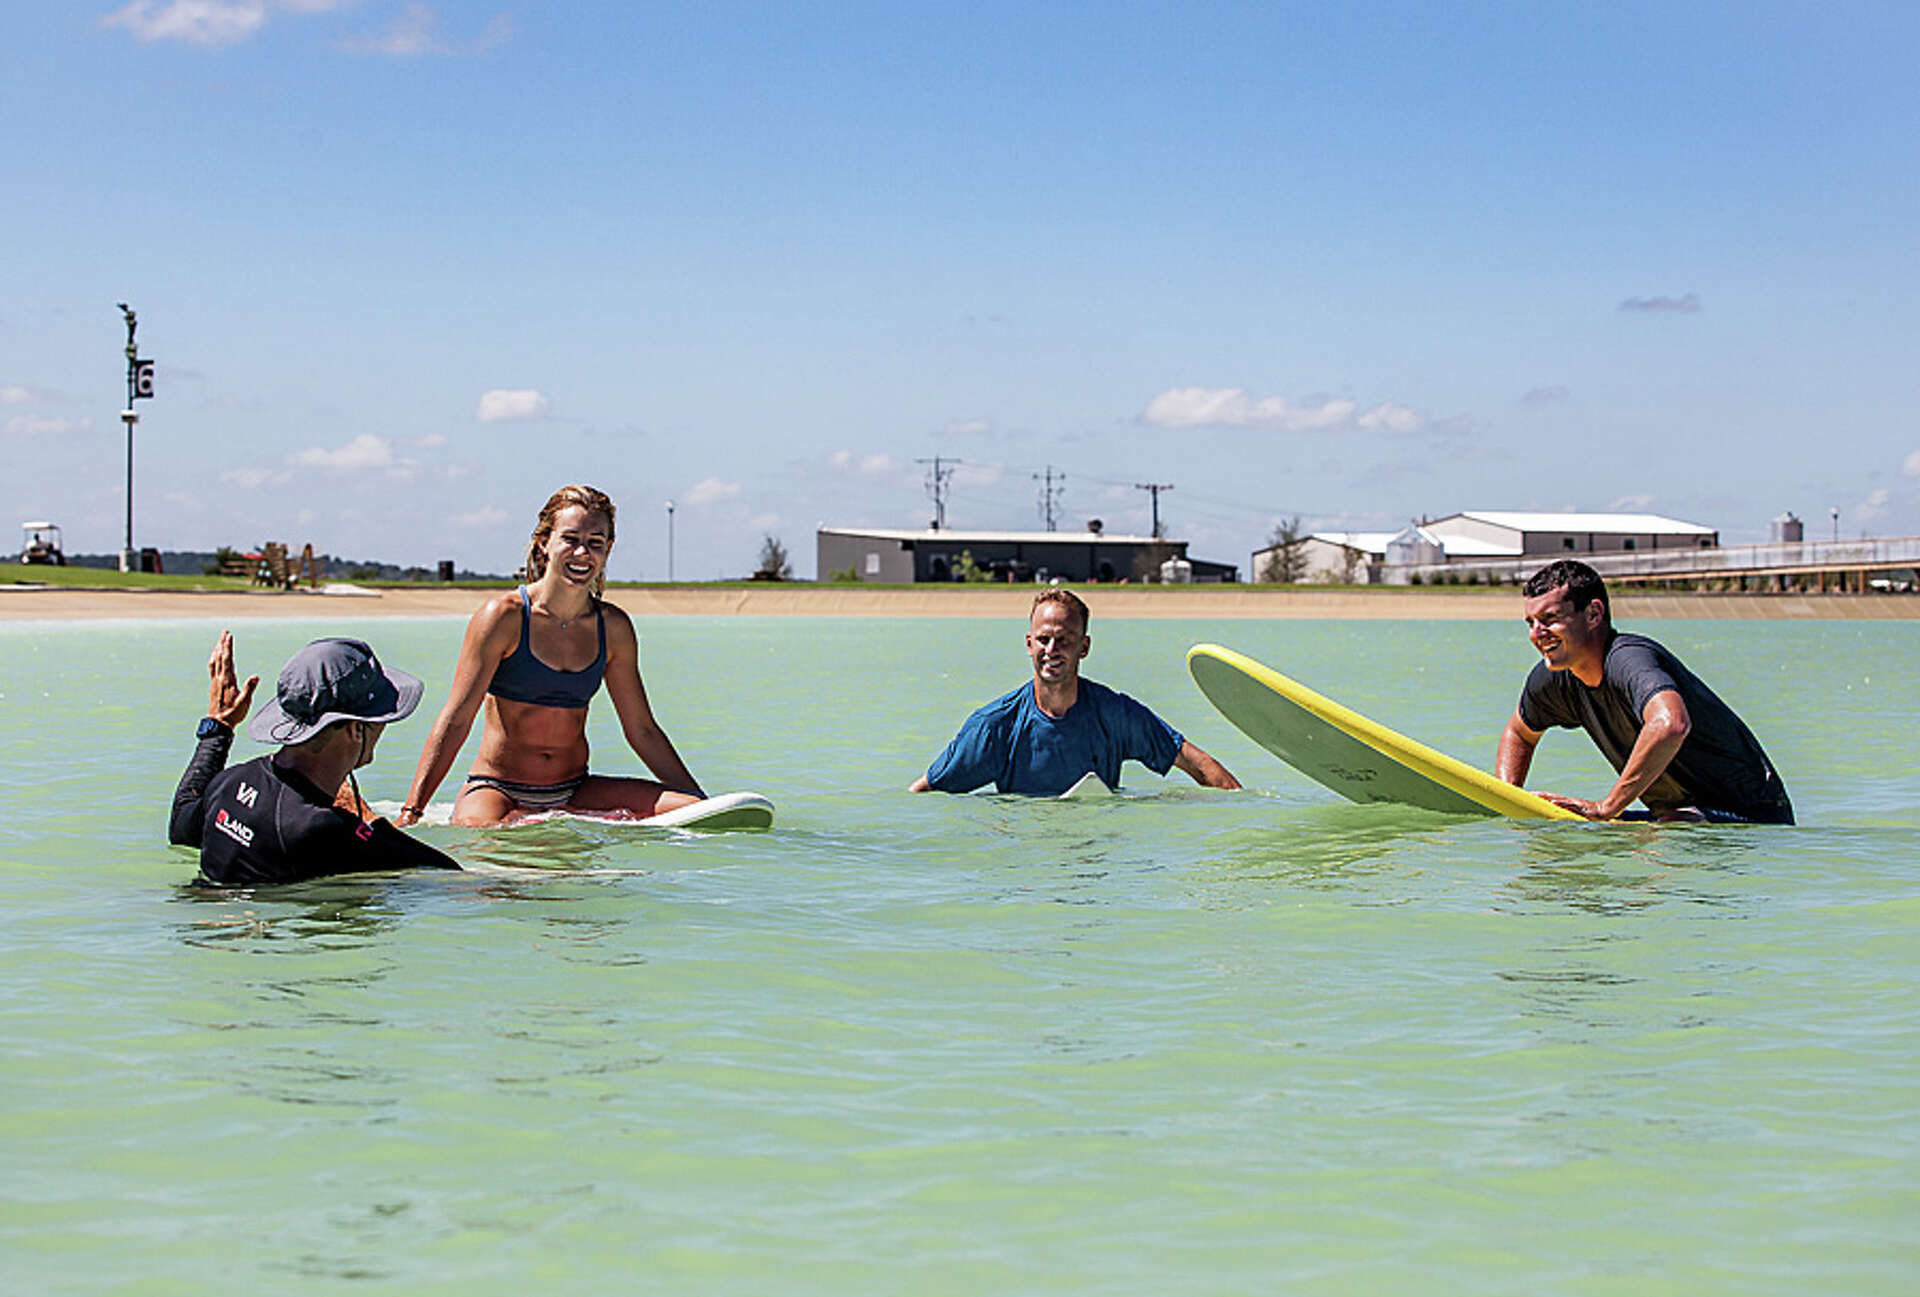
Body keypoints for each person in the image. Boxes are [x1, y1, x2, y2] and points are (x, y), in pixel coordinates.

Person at [397, 484, 705, 827]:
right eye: (570, 539)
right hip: (498, 789)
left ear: (608, 549)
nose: (582, 552)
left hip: (575, 790)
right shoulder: (503, 617)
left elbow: (642, 729)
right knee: (479, 832)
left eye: (595, 542)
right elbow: (457, 719)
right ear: (544, 542)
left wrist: (702, 803)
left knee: (686, 807)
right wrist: (412, 811)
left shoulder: (612, 627)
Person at [1496, 558, 1793, 823]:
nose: (1536, 634)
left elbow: (1671, 724)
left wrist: (1606, 808)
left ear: (1593, 614)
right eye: (1531, 623)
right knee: (1569, 828)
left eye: (1550, 619)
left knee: (1663, 827)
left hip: (1754, 820)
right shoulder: (1553, 679)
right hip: (1675, 817)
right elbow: (1520, 733)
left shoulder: (1629, 660)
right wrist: (1507, 802)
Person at [169, 631, 462, 884]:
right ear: (355, 729)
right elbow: (444, 874)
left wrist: (219, 728)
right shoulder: (321, 829)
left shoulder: (230, 782)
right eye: (380, 716)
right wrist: (368, 819)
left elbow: (182, 827)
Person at [911, 587, 1241, 796]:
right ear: (1029, 644)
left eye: (1064, 640)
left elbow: (1197, 764)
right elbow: (925, 791)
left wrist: (1243, 814)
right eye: (1043, 640)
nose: (1051, 650)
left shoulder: (1115, 715)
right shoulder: (994, 726)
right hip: (1024, 864)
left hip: (1093, 863)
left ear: (1084, 647)